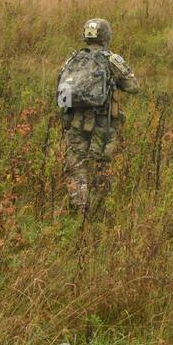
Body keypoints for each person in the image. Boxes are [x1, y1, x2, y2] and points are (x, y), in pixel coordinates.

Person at [56, 18, 140, 215]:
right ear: (106, 36)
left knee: (77, 164)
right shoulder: (111, 60)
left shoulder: (72, 59)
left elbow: (62, 90)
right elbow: (134, 87)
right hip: (104, 124)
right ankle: (98, 211)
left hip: (76, 121)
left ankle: (79, 207)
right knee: (102, 165)